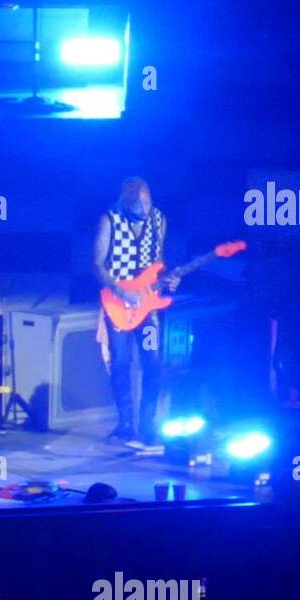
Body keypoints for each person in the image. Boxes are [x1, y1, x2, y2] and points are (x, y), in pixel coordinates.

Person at [92, 177, 179, 448]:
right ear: (125, 201)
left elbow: (158, 261)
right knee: (120, 363)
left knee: (152, 362)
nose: (143, 210)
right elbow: (97, 264)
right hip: (118, 303)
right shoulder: (109, 219)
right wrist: (121, 291)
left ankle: (148, 425)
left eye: (147, 203)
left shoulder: (159, 219)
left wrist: (169, 279)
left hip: (147, 305)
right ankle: (126, 424)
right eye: (137, 205)